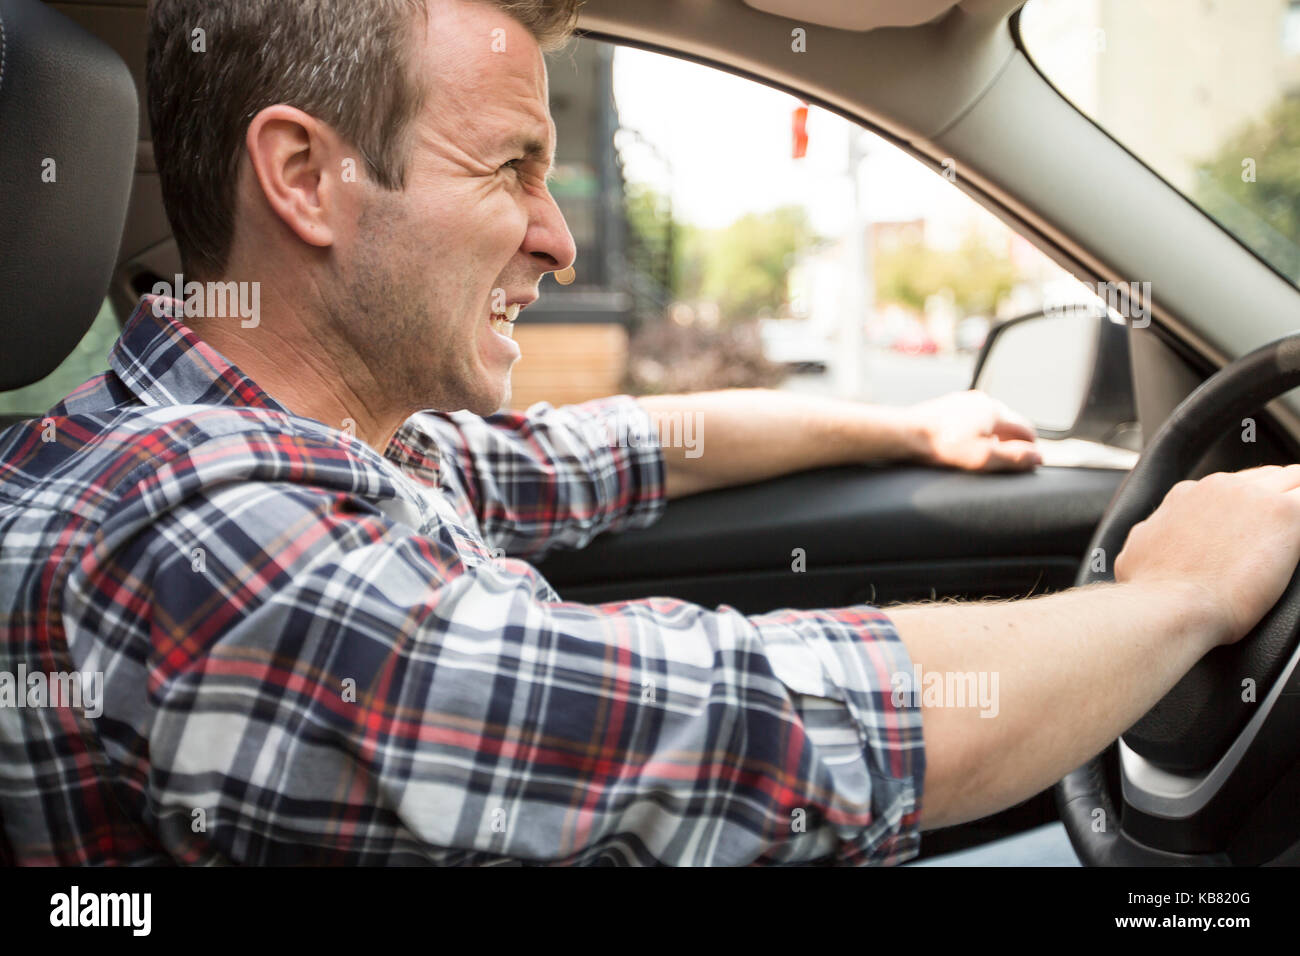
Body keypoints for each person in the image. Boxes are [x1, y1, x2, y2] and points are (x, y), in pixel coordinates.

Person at [3, 0, 1300, 866]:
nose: (558, 239)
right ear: (302, 177)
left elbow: (637, 442)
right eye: (507, 168)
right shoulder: (201, 533)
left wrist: (914, 428)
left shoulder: (306, 447)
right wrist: (1175, 597)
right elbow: (739, 729)